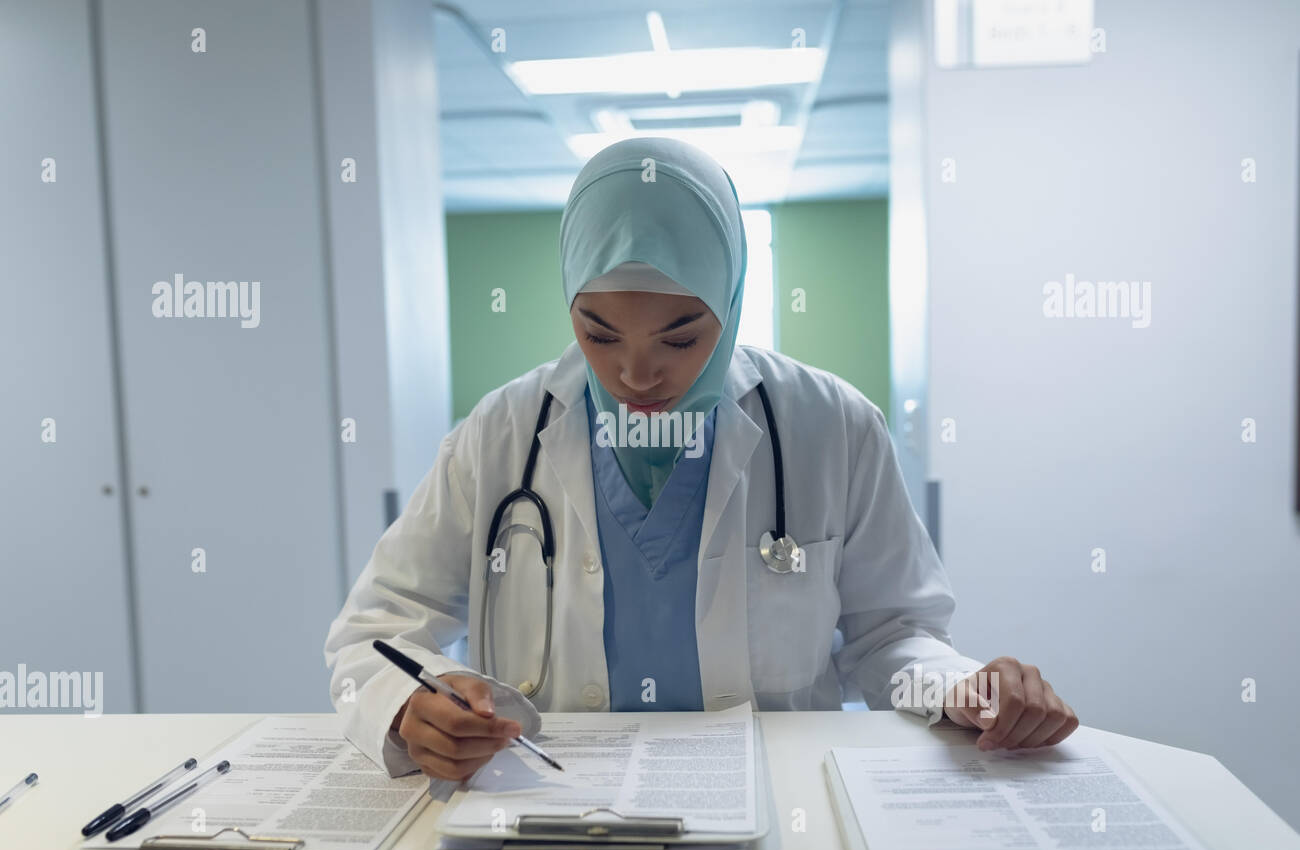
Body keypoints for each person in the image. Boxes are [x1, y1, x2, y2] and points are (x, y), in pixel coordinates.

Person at [323, 136, 1078, 783]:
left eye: (681, 338)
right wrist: (407, 708)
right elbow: (376, 631)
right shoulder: (501, 434)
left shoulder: (832, 425)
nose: (636, 376)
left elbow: (892, 631)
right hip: (552, 807)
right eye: (599, 333)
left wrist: (959, 687)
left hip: (779, 806)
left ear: (733, 294)